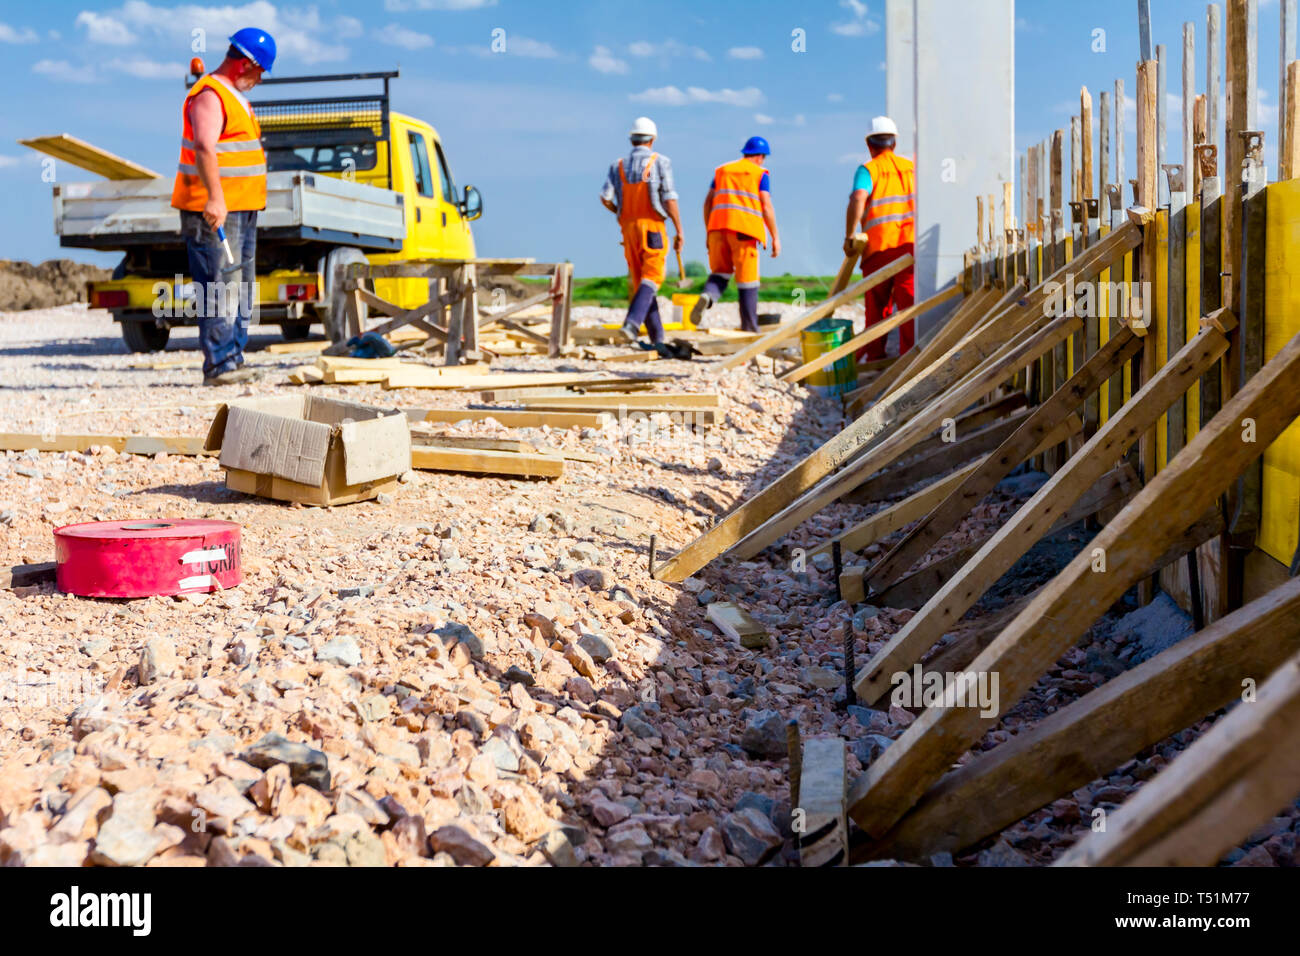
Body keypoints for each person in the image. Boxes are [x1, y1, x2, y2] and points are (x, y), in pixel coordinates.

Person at [171, 27, 276, 385]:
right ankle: (219, 364)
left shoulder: (234, 95)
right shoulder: (210, 94)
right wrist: (215, 198)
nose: (260, 79)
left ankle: (233, 357)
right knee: (218, 283)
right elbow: (204, 146)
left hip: (242, 208)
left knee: (240, 282)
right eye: (260, 71)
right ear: (246, 63)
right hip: (215, 209)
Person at [600, 117, 684, 344]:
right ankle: (632, 323)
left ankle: (658, 339)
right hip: (653, 226)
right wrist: (679, 229)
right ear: (652, 139)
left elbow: (605, 198)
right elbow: (669, 198)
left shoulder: (617, 165)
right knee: (654, 277)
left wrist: (621, 212)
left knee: (642, 282)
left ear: (632, 139)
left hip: (628, 228)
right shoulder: (660, 162)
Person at [844, 116, 915, 362]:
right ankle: (909, 362)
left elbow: (857, 198)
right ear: (894, 143)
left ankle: (875, 359)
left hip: (879, 248)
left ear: (869, 145)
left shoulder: (868, 170)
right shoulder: (912, 168)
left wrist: (850, 235)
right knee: (909, 309)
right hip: (910, 248)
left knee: (877, 309)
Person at [690, 136, 780, 332]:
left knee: (720, 272)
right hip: (743, 231)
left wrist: (709, 231)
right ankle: (749, 328)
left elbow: (708, 203)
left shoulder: (722, 171)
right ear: (760, 157)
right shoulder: (759, 173)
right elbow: (766, 205)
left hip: (716, 229)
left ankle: (708, 296)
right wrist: (775, 236)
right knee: (748, 281)